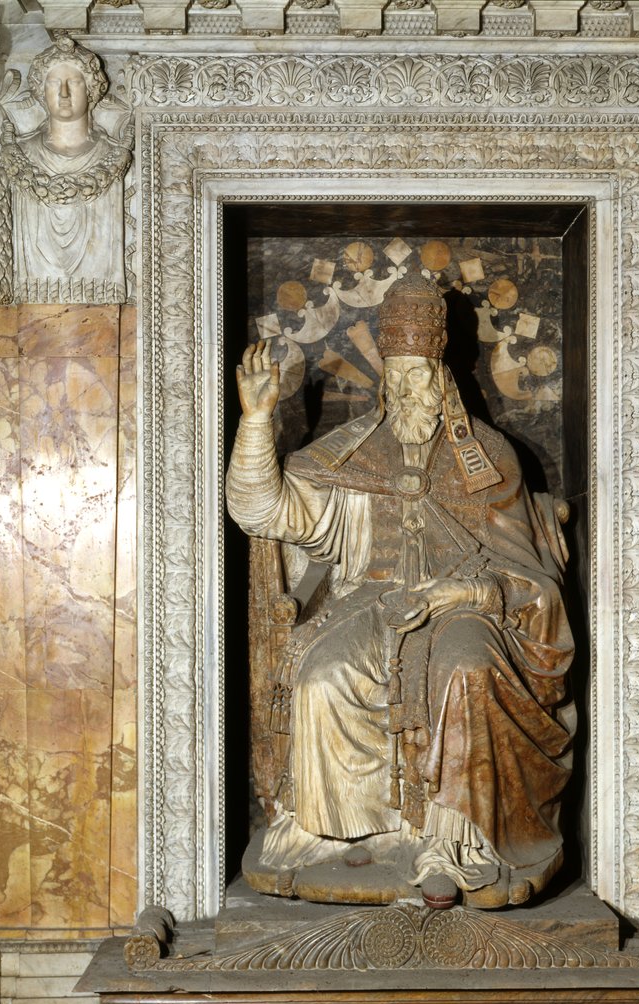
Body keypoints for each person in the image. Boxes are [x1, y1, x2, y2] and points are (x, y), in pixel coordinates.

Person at [226, 276, 574, 909]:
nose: (411, 390)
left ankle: (454, 844)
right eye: (400, 375)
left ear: (442, 375)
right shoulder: (352, 455)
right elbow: (263, 512)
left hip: (470, 605)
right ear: (385, 377)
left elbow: (529, 576)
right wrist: (255, 424)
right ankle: (337, 834)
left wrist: (458, 594)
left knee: (463, 668)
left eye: (422, 375)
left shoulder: (490, 458)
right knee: (322, 678)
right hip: (369, 601)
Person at [4, 36, 129, 303]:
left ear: (92, 90)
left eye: (73, 82)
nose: (63, 93)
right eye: (53, 83)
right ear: (40, 90)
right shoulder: (22, 155)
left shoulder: (111, 156)